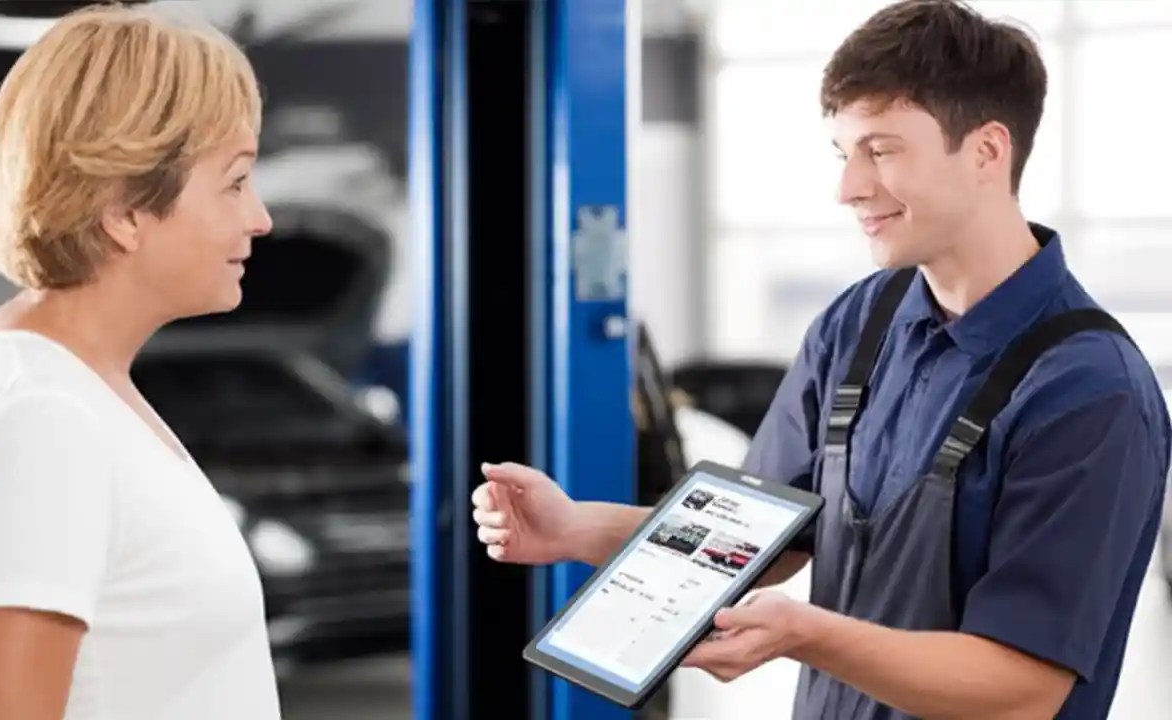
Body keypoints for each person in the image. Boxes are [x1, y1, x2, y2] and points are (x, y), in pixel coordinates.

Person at [472, 1, 1170, 718]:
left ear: (988, 152)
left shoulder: (1088, 390)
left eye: (883, 150)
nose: (849, 189)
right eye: (845, 154)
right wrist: (574, 527)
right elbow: (757, 536)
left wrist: (806, 634)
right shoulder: (858, 324)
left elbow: (1022, 690)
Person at [0, 5, 277, 719]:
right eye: (235, 183)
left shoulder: (80, 389)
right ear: (125, 210)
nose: (260, 217)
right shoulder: (43, 422)